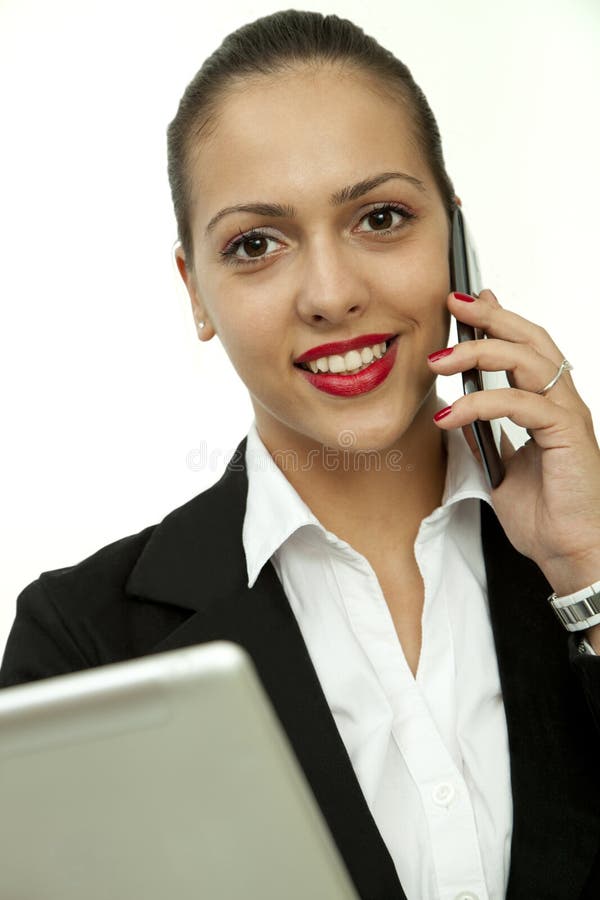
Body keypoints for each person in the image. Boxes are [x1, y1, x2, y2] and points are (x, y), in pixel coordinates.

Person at [2, 9, 600, 899]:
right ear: (195, 291)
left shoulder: (581, 564)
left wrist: (588, 570)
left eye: (382, 217)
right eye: (255, 244)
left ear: (457, 240)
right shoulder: (84, 644)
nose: (330, 294)